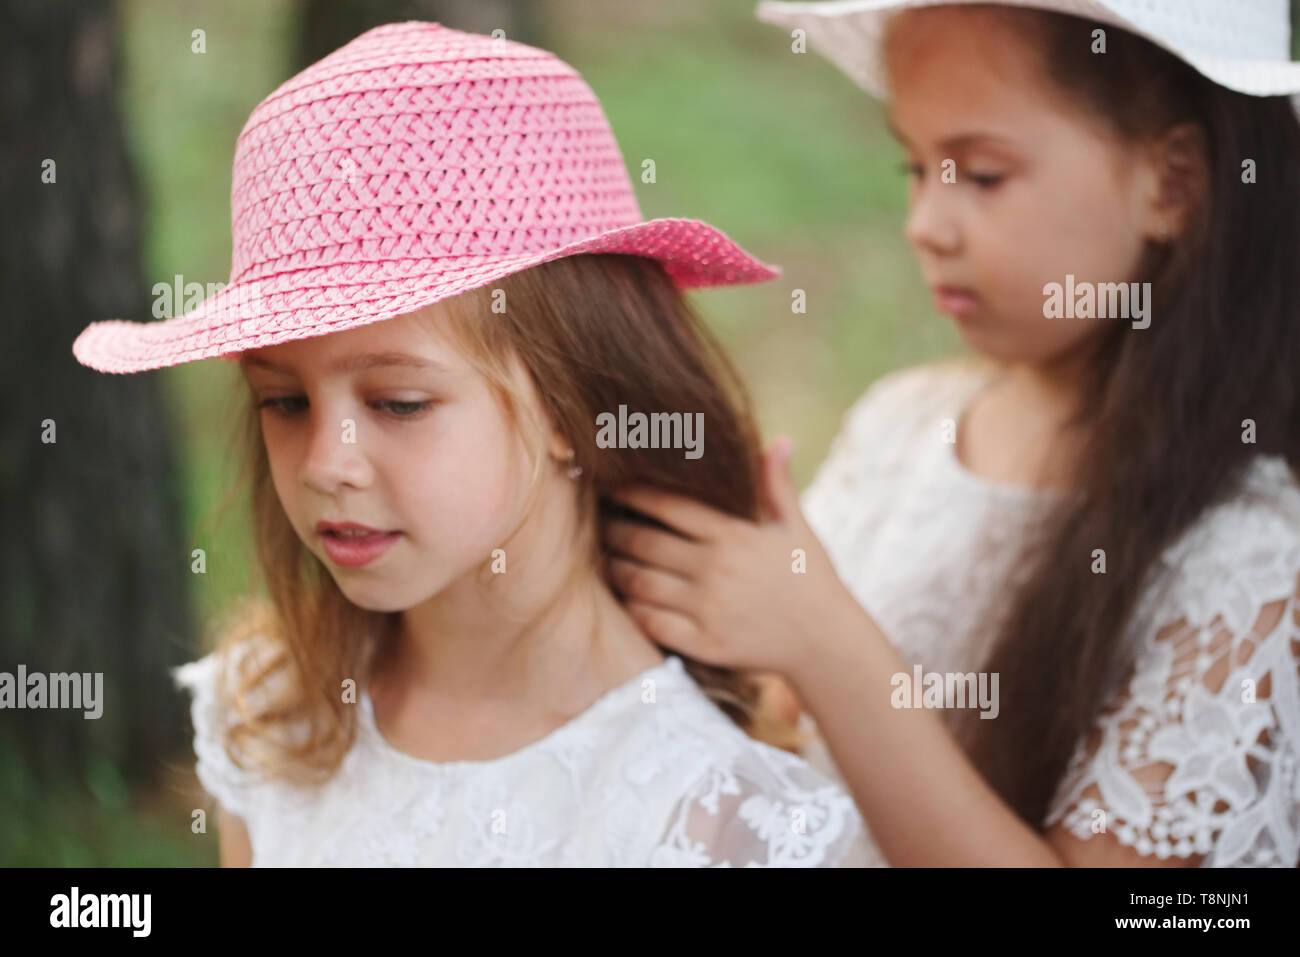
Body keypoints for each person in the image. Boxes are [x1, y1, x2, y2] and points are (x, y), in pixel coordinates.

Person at [72, 21, 866, 867]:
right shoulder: (272, 710)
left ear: (576, 404)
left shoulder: (712, 815)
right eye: (285, 399)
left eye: (400, 402)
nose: (326, 463)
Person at [603, 0, 1300, 866]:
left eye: (982, 174)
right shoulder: (902, 426)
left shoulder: (1254, 559)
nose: (924, 224)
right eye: (916, 166)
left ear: (1175, 183)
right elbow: (784, 731)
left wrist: (826, 644)